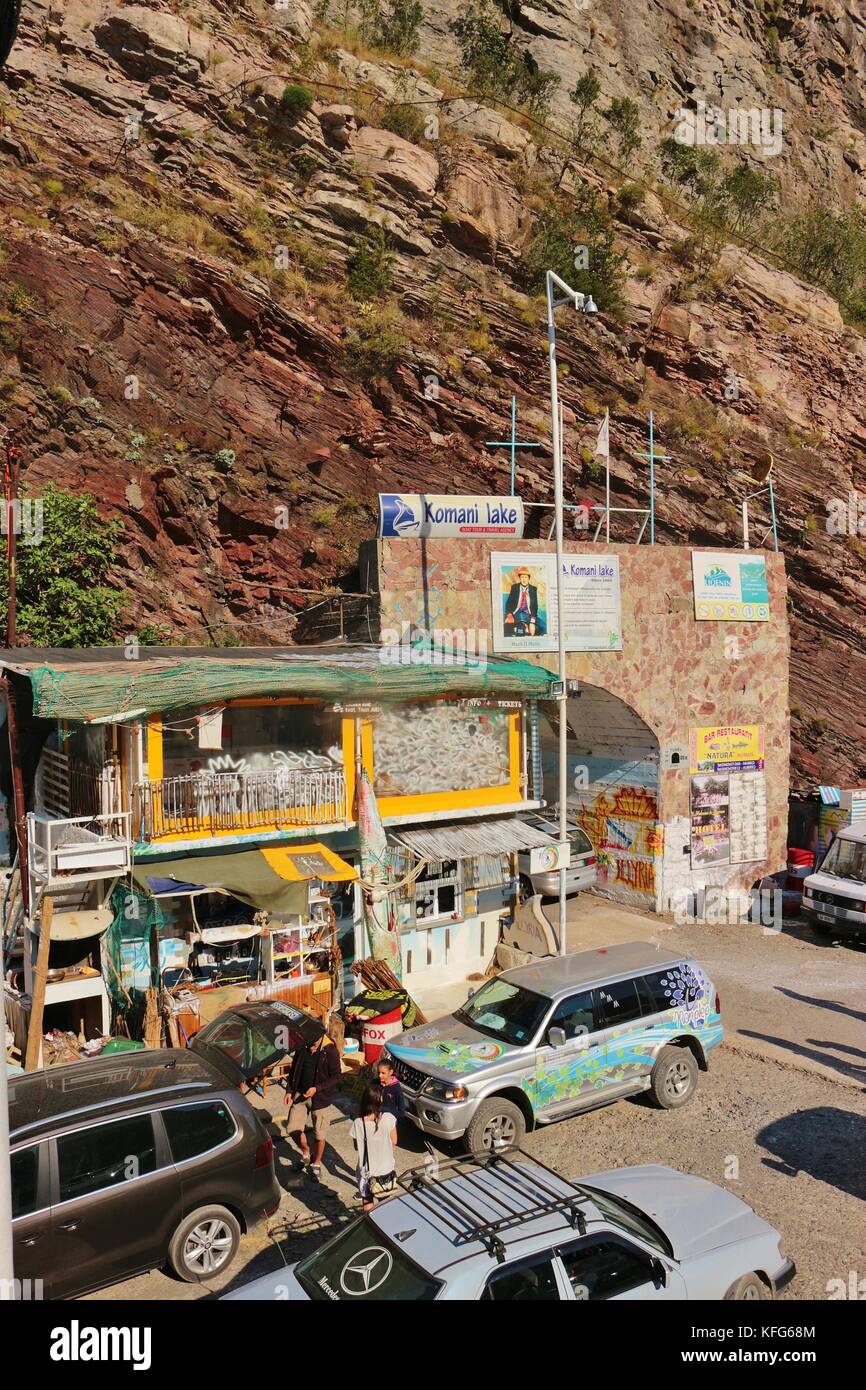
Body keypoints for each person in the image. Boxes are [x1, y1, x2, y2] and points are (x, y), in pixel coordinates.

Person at [286, 1031, 341, 1178]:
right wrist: (289, 1090)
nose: (312, 1042)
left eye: (315, 1038)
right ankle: (306, 1153)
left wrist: (317, 1088)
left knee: (319, 1134)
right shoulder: (302, 1047)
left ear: (321, 1035)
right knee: (292, 1129)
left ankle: (316, 1163)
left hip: (321, 1099)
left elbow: (337, 1076)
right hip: (300, 1094)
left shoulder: (329, 1050)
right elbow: (294, 1069)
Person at [351, 1082, 398, 1213]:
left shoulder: (358, 1123)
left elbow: (356, 1147)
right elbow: (394, 1141)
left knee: (367, 1202)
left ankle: (370, 1223)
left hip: (367, 1173)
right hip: (386, 1169)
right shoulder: (389, 1118)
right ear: (380, 1100)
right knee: (385, 1202)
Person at [504, 568, 545, 637]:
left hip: (528, 614)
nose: (524, 579)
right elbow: (508, 603)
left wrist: (532, 620)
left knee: (543, 626)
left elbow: (535, 606)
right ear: (519, 578)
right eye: (522, 577)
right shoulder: (515, 587)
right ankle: (521, 629)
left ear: (529, 579)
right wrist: (509, 615)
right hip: (516, 612)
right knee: (507, 627)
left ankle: (525, 629)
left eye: (526, 577)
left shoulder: (533, 589)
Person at [376, 1057, 406, 1121]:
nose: (380, 1075)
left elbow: (401, 1112)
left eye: (383, 1073)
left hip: (388, 1121)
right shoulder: (375, 1082)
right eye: (379, 1073)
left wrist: (384, 1109)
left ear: (391, 1072)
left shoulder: (396, 1089)